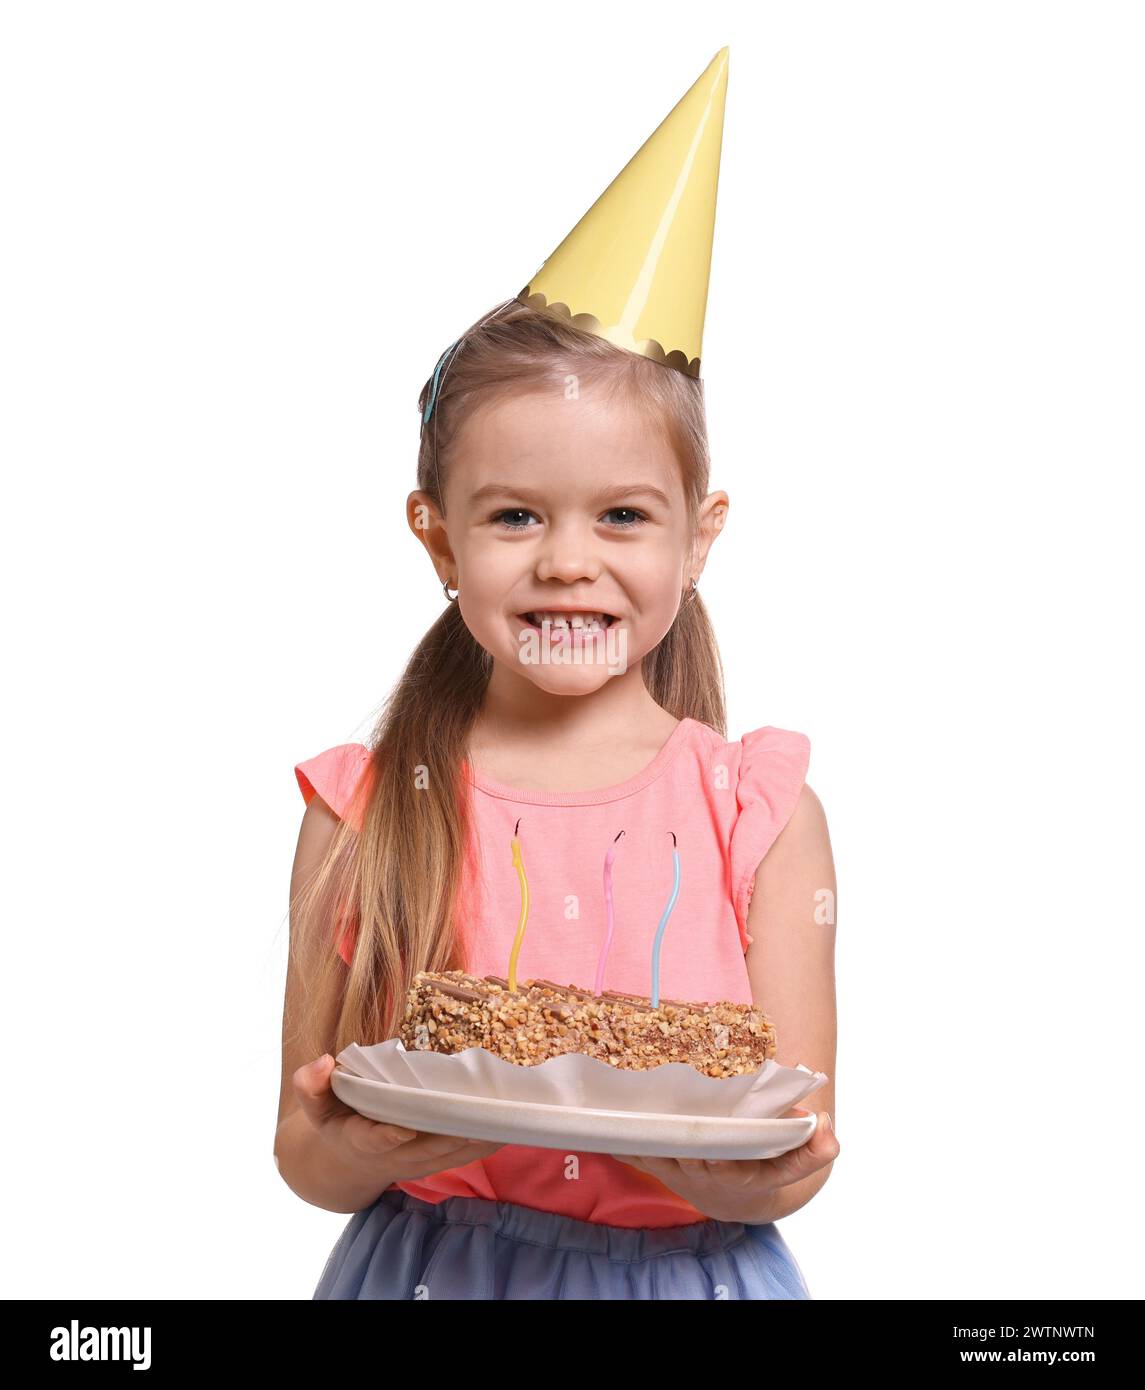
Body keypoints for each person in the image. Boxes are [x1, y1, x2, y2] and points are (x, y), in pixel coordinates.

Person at [274, 47, 840, 1300]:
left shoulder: (760, 816)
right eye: (517, 517)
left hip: (689, 1276)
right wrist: (366, 1139)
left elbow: (797, 1142)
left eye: (623, 518)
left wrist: (740, 1178)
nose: (567, 564)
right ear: (438, 536)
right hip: (428, 1272)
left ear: (700, 537)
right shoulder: (360, 810)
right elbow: (303, 1155)